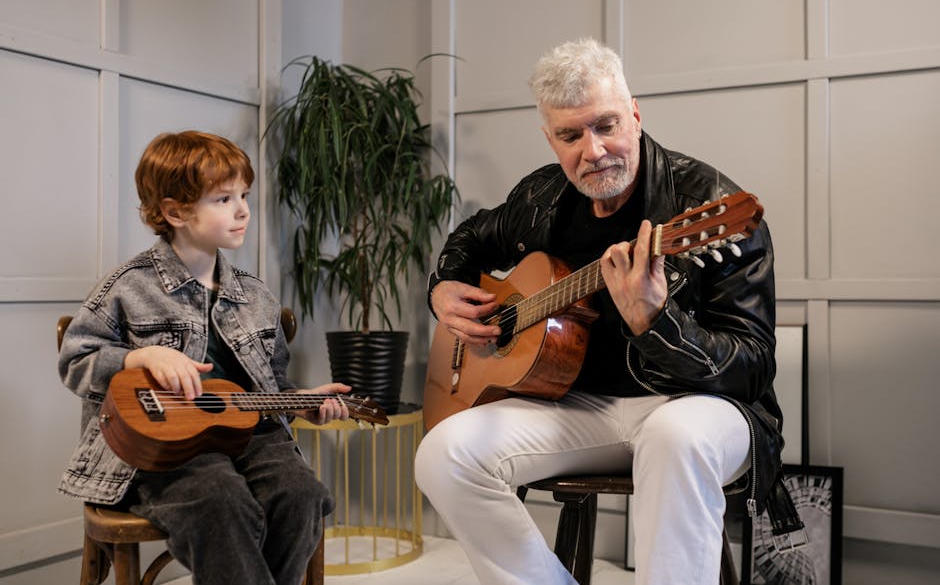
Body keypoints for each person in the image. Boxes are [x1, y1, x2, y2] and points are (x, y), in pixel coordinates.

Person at [415, 38, 799, 584]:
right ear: (550, 138)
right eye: (571, 135)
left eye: (606, 125)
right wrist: (443, 287)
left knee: (675, 437)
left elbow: (753, 367)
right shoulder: (542, 198)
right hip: (577, 407)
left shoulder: (709, 203)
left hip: (695, 406)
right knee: (443, 454)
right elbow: (473, 236)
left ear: (635, 116)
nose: (593, 151)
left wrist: (656, 322)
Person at [58, 130, 350, 585]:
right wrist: (142, 358)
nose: (243, 210)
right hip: (161, 449)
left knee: (301, 495)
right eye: (223, 199)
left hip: (252, 438)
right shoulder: (127, 287)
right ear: (175, 212)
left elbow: (272, 387)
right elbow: (76, 360)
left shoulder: (256, 295)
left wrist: (304, 402)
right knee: (219, 498)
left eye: (244, 195)